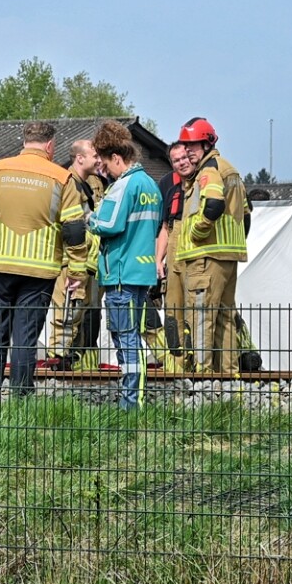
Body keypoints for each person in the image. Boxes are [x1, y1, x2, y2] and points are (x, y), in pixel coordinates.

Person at [0, 121, 90, 397]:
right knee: (26, 336)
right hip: (41, 270)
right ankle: (22, 396)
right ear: (50, 145)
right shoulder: (62, 177)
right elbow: (74, 229)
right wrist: (77, 271)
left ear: (25, 141)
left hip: (1, 265)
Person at [86, 120, 161, 409]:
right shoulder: (150, 185)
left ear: (117, 158)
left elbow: (108, 223)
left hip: (120, 272)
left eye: (106, 165)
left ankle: (131, 403)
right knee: (133, 336)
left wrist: (89, 219)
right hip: (141, 271)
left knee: (125, 338)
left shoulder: (124, 185)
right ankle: (134, 399)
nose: (105, 172)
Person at [173, 118, 250, 374]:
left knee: (201, 317)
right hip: (228, 256)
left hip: (206, 256)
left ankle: (203, 375)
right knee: (226, 318)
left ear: (207, 144)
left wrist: (198, 231)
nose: (188, 151)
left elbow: (214, 204)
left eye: (193, 146)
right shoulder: (230, 169)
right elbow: (246, 214)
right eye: (186, 146)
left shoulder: (208, 171)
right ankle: (229, 375)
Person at [43, 138, 108, 371]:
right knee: (68, 309)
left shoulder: (87, 185)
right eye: (94, 154)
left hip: (85, 261)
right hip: (71, 262)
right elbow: (73, 226)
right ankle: (57, 359)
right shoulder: (69, 183)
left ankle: (66, 356)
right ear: (80, 158)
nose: (99, 159)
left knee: (77, 310)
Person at [153, 140, 196, 369]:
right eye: (177, 160)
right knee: (173, 313)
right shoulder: (167, 184)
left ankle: (201, 364)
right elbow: (165, 227)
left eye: (185, 158)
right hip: (174, 249)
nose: (182, 163)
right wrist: (158, 260)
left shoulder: (204, 179)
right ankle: (177, 367)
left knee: (197, 313)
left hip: (198, 253)